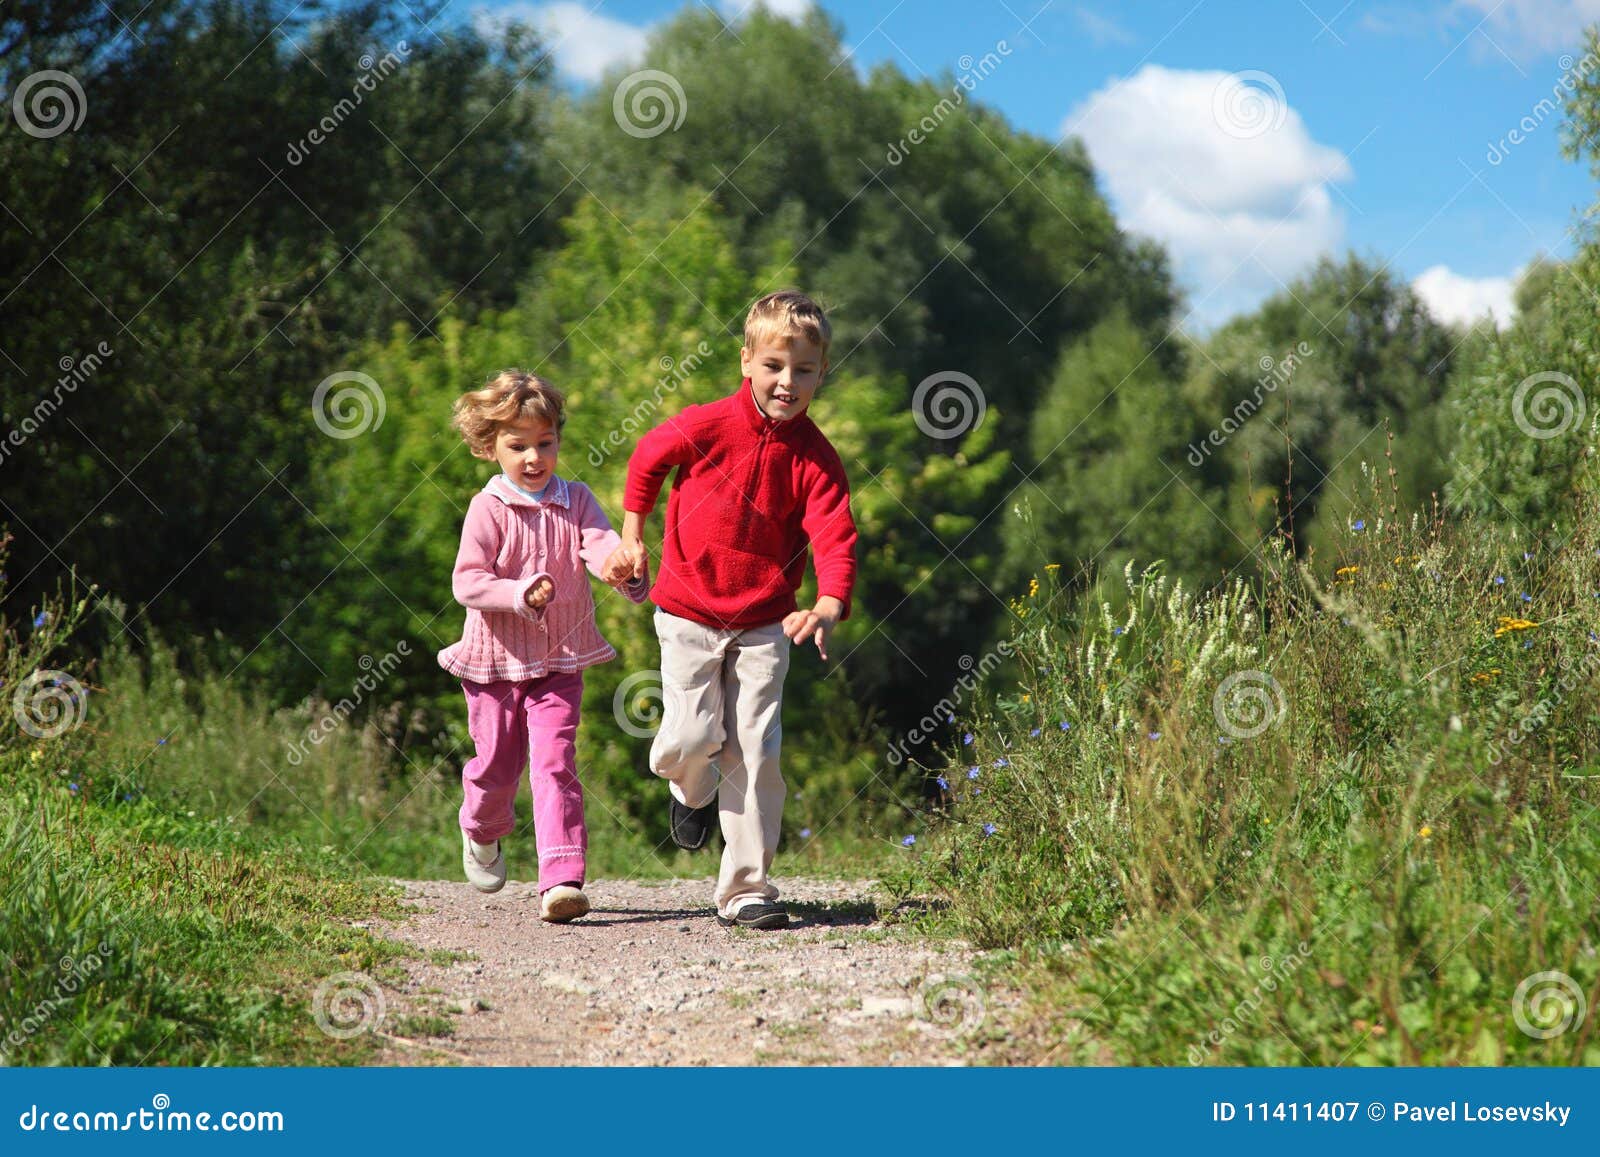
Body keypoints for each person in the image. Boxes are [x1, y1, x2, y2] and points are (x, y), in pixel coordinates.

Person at [606, 291, 858, 930]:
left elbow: (834, 534)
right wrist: (632, 536)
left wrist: (829, 603)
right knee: (691, 739)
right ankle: (688, 788)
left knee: (756, 749)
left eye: (804, 370)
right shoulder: (708, 424)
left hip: (765, 622)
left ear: (821, 374)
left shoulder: (816, 458)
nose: (787, 382)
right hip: (688, 610)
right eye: (774, 365)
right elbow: (646, 459)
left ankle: (747, 888)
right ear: (747, 361)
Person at [439, 369, 649, 922]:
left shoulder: (575, 499)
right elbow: (467, 582)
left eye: (545, 443)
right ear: (490, 447)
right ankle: (481, 827)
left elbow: (600, 546)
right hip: (495, 663)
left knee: (556, 762)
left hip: (559, 660)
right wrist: (517, 593)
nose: (534, 457)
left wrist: (622, 567)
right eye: (518, 446)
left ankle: (561, 879)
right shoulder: (488, 508)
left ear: (558, 439)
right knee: (497, 767)